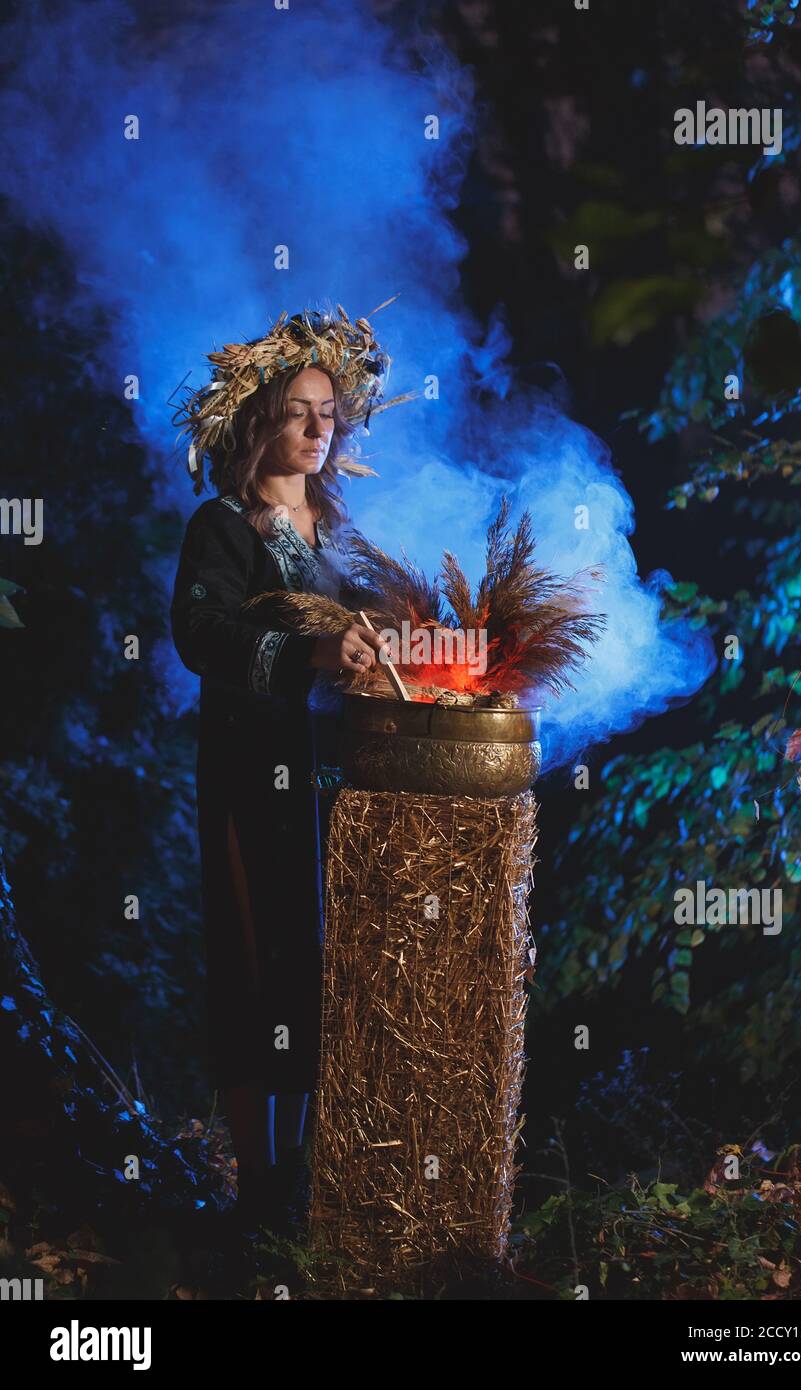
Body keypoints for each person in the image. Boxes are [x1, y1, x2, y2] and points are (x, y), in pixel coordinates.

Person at [169, 304, 408, 1232]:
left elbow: (373, 627)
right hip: (251, 766)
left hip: (336, 774)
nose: (320, 429)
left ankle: (302, 1172)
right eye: (301, 411)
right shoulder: (222, 527)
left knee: (321, 959)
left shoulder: (341, 533)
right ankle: (256, 1178)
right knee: (254, 951)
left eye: (329, 413)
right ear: (259, 420)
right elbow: (200, 632)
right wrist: (306, 653)